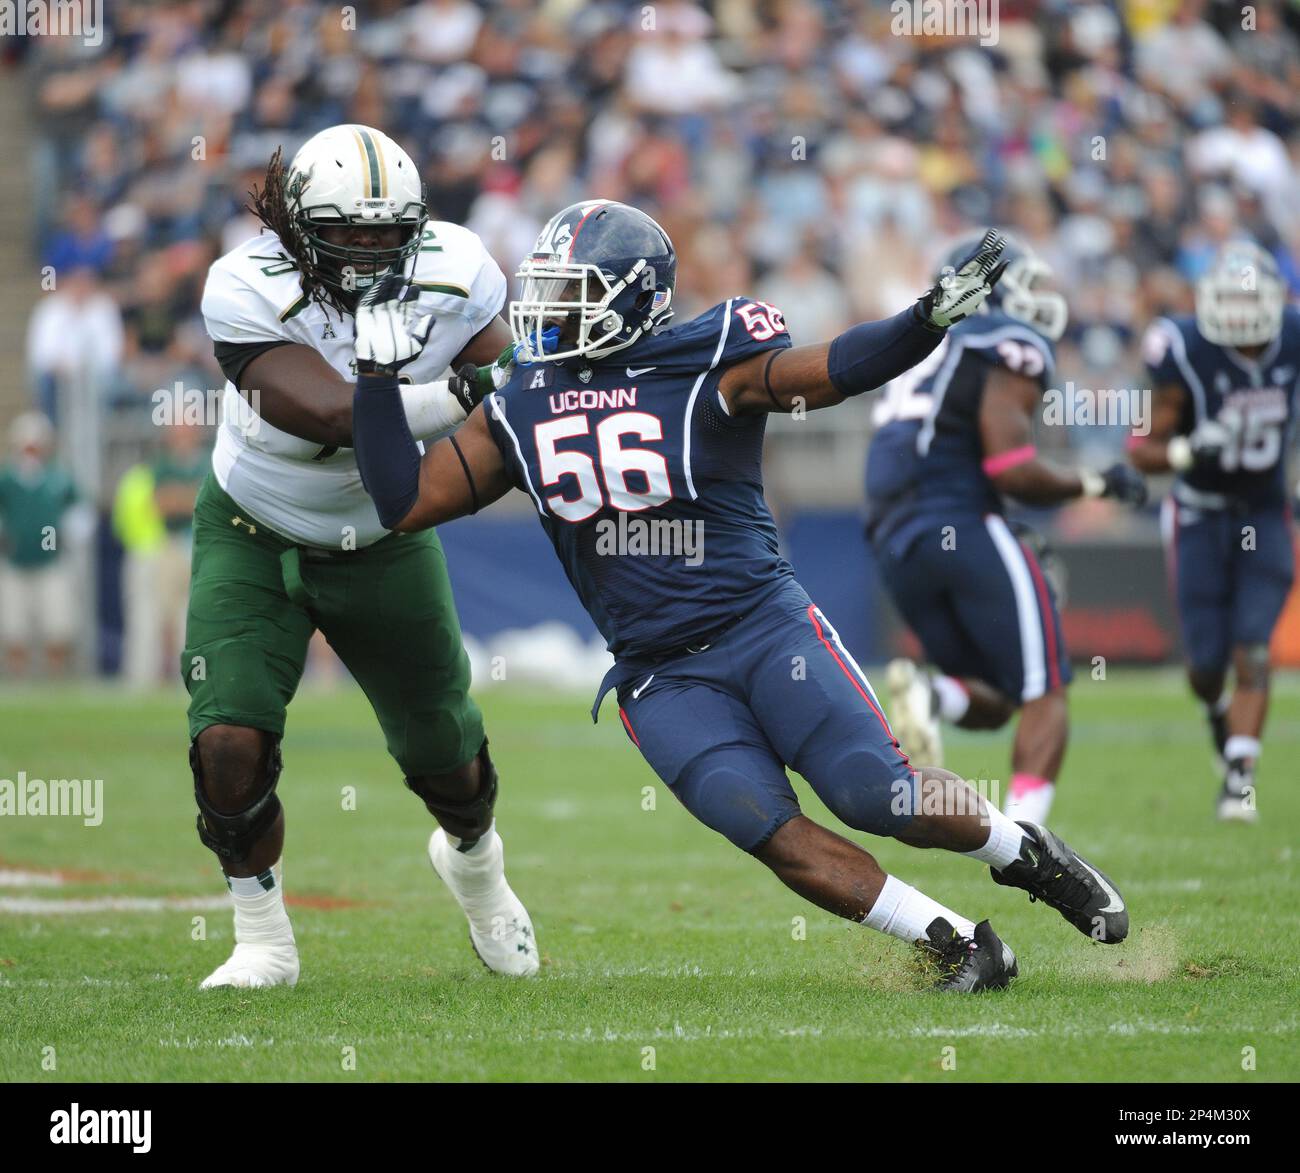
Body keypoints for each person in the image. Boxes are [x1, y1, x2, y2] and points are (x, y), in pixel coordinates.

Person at [352, 200, 1130, 992]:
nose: (552, 310)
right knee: (766, 828)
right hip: (659, 672)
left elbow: (828, 372)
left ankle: (1025, 852)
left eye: (575, 292)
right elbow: (404, 502)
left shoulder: (705, 363)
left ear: (631, 300)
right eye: (550, 289)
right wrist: (374, 382)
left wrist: (923, 321)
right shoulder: (521, 402)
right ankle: (962, 944)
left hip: (763, 628)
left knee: (877, 793)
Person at [189, 123, 538, 989]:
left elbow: (525, 387)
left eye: (390, 232)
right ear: (299, 226)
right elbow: (339, 415)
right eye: (352, 231)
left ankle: (475, 866)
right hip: (253, 527)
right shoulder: (244, 286)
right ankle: (263, 937)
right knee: (228, 744)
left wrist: (527, 381)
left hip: (384, 538)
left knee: (449, 760)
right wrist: (458, 388)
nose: (374, 251)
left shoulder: (457, 270)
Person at [863, 238, 1148, 827]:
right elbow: (1011, 468)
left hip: (893, 540)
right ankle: (1028, 836)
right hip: (960, 518)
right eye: (1025, 284)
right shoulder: (1007, 343)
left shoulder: (919, 344)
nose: (1039, 300)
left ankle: (931, 697)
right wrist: (1095, 483)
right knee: (1045, 691)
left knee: (993, 695)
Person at [1129, 241, 1299, 822]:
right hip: (1199, 511)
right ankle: (1218, 722)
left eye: (1249, 297)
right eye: (1229, 297)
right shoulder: (1184, 347)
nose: (1240, 312)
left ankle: (1240, 777)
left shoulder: (1293, 336)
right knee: (1204, 667)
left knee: (1253, 646)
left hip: (1264, 511)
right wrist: (1185, 449)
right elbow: (1140, 450)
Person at [0, 412, 80, 677]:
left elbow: (80, 514)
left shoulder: (58, 478)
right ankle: (19, 681)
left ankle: (54, 680)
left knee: (58, 627)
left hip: (51, 562)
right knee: (14, 629)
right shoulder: (7, 480)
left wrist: (65, 535)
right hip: (15, 562)